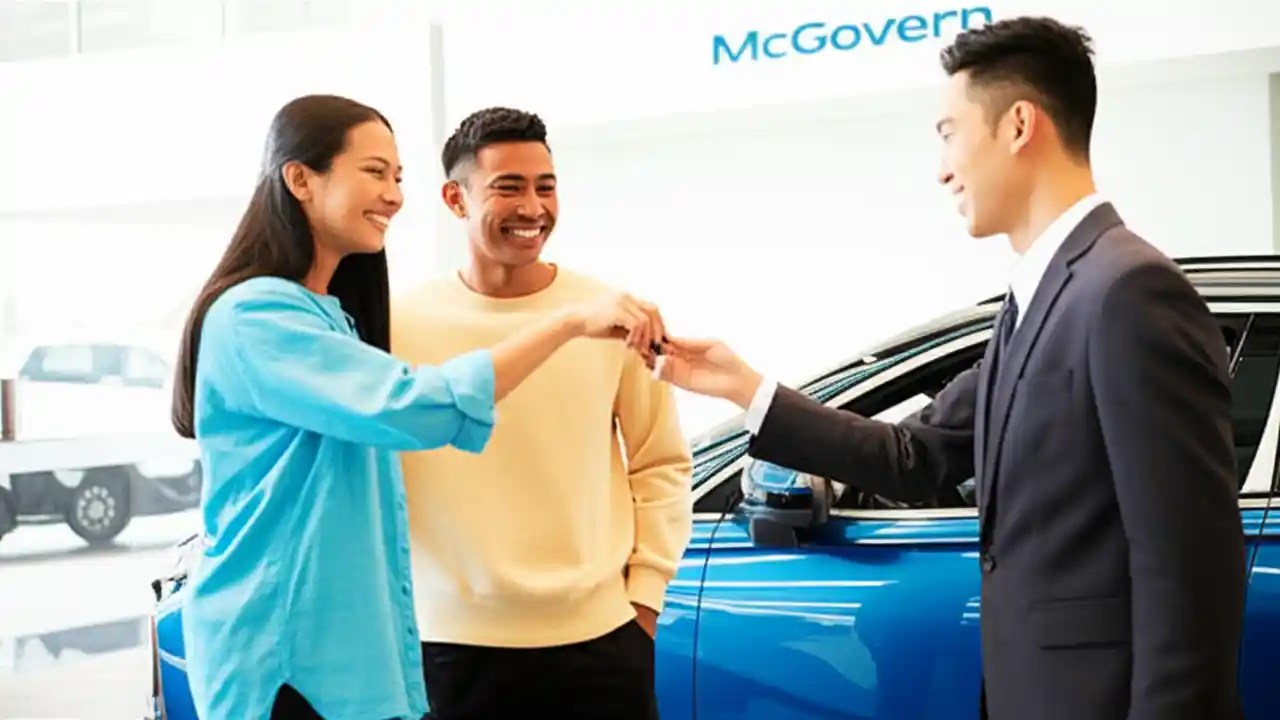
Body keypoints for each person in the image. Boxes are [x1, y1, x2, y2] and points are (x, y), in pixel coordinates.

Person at [656, 17, 1245, 720]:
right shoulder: (1039, 300)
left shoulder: (1126, 292)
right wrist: (744, 389)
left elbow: (1190, 571)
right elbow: (917, 457)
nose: (941, 167)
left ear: (1019, 124)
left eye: (948, 132)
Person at [170, 94, 667, 720]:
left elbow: (661, 463)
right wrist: (564, 324)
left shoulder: (338, 320)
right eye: (374, 172)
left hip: (372, 657)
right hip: (289, 655)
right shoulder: (257, 317)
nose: (394, 195)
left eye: (398, 176)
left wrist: (642, 597)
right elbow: (414, 408)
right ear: (299, 179)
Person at [391, 107, 693, 719]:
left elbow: (660, 463)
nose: (533, 208)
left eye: (545, 186)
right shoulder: (400, 324)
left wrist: (644, 603)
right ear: (455, 198)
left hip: (603, 643)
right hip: (449, 648)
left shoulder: (613, 313)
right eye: (508, 187)